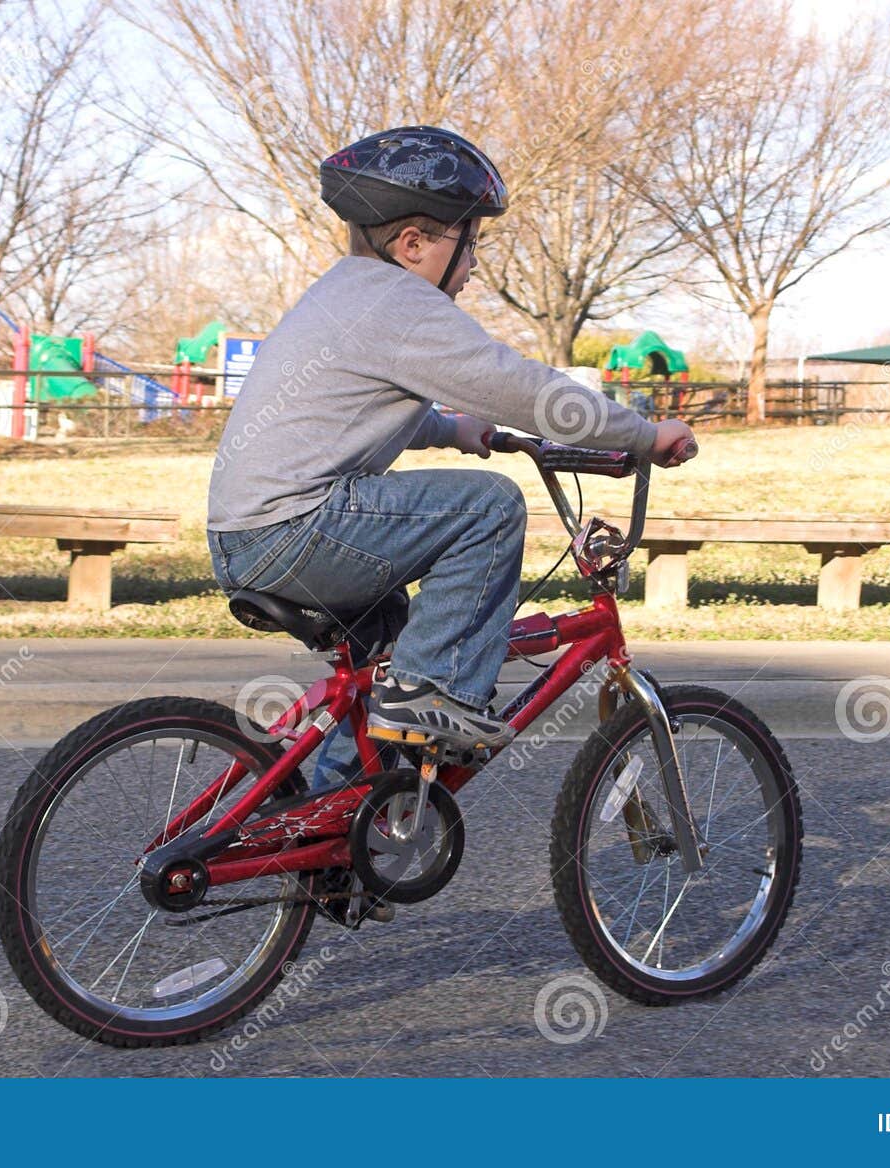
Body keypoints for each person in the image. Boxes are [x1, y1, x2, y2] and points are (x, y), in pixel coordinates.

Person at [206, 126, 696, 786]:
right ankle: (437, 701)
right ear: (413, 246)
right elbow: (522, 387)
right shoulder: (401, 302)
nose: (472, 268)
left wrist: (450, 429)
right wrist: (644, 435)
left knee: (383, 677)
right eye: (469, 246)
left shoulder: (343, 293)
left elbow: (348, 414)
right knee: (488, 508)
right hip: (295, 531)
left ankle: (326, 854)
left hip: (248, 534)